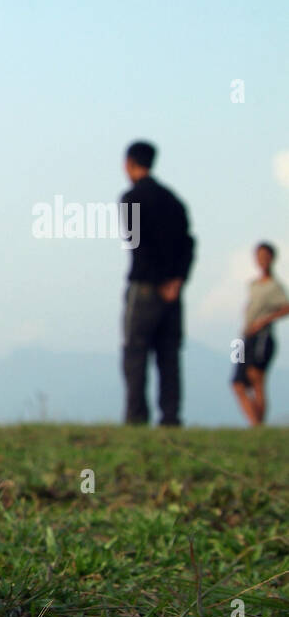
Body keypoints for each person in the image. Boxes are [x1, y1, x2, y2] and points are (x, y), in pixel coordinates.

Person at [119, 141, 195, 426]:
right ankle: (171, 417)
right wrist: (177, 279)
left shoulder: (131, 198)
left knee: (135, 353)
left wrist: (159, 279)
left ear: (129, 163)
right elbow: (188, 244)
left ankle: (136, 418)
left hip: (146, 288)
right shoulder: (173, 201)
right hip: (173, 292)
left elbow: (139, 244)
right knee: (169, 356)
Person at [231, 242, 289, 426]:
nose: (262, 260)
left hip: (262, 336)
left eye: (265, 256)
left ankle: (258, 427)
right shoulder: (253, 284)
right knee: (238, 382)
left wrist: (264, 320)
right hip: (244, 337)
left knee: (256, 377)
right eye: (259, 256)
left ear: (272, 259)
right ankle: (255, 422)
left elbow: (286, 307)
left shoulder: (274, 286)